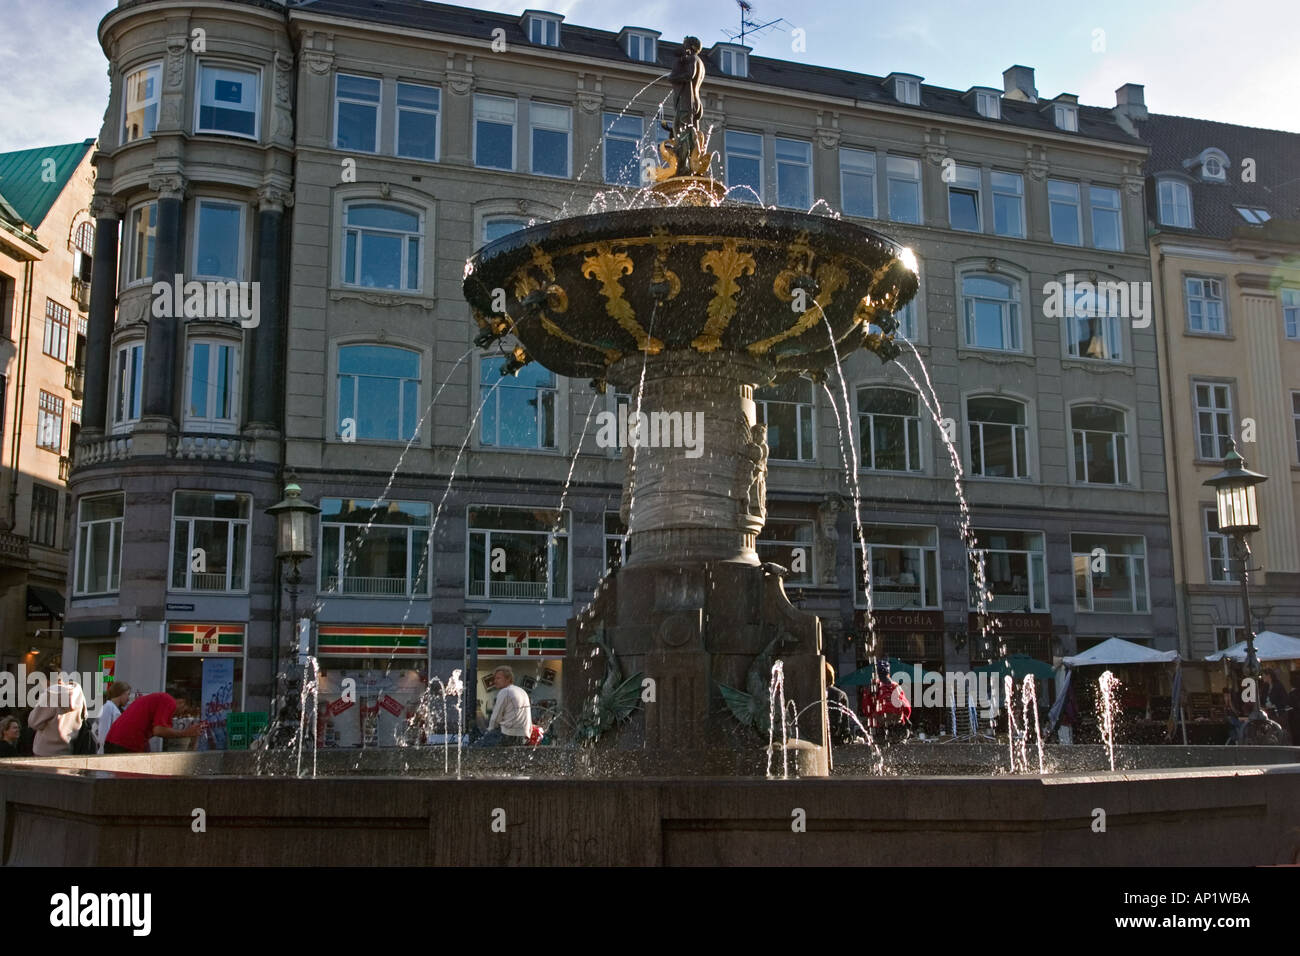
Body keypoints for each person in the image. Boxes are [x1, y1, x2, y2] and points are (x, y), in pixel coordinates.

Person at [103, 692, 202, 753]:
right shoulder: (169, 701)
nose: (180, 715)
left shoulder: (157, 699)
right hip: (125, 744)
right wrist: (186, 733)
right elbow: (159, 730)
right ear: (181, 702)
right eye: (184, 710)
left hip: (115, 741)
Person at [473, 667, 532, 747]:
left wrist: (488, 731)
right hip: (523, 735)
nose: (495, 681)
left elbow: (496, 717)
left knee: (475, 749)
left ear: (508, 679)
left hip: (508, 734)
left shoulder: (505, 691)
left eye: (498, 678)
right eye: (495, 678)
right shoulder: (522, 691)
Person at [27, 679, 86, 757]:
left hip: (45, 752)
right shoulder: (77, 693)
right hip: (70, 748)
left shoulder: (50, 694)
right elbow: (85, 716)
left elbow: (33, 722)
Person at [96, 681, 132, 754]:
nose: (128, 699)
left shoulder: (116, 709)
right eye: (127, 694)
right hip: (106, 752)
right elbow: (103, 733)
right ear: (121, 693)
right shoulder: (108, 707)